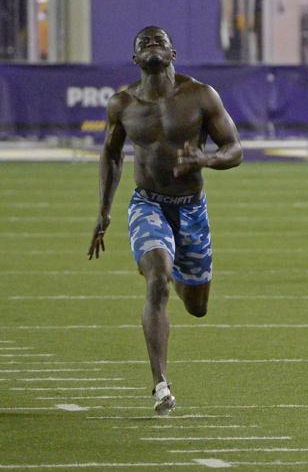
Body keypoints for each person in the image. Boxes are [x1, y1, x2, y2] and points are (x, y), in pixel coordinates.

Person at [86, 26, 243, 416]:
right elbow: (110, 154)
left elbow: (235, 149)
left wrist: (205, 160)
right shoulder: (122, 104)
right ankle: (161, 385)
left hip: (191, 207)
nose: (152, 45)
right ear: (135, 59)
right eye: (144, 43)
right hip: (147, 204)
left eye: (160, 41)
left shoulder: (201, 96)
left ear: (173, 54)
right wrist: (104, 209)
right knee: (157, 281)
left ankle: (178, 273)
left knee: (196, 306)